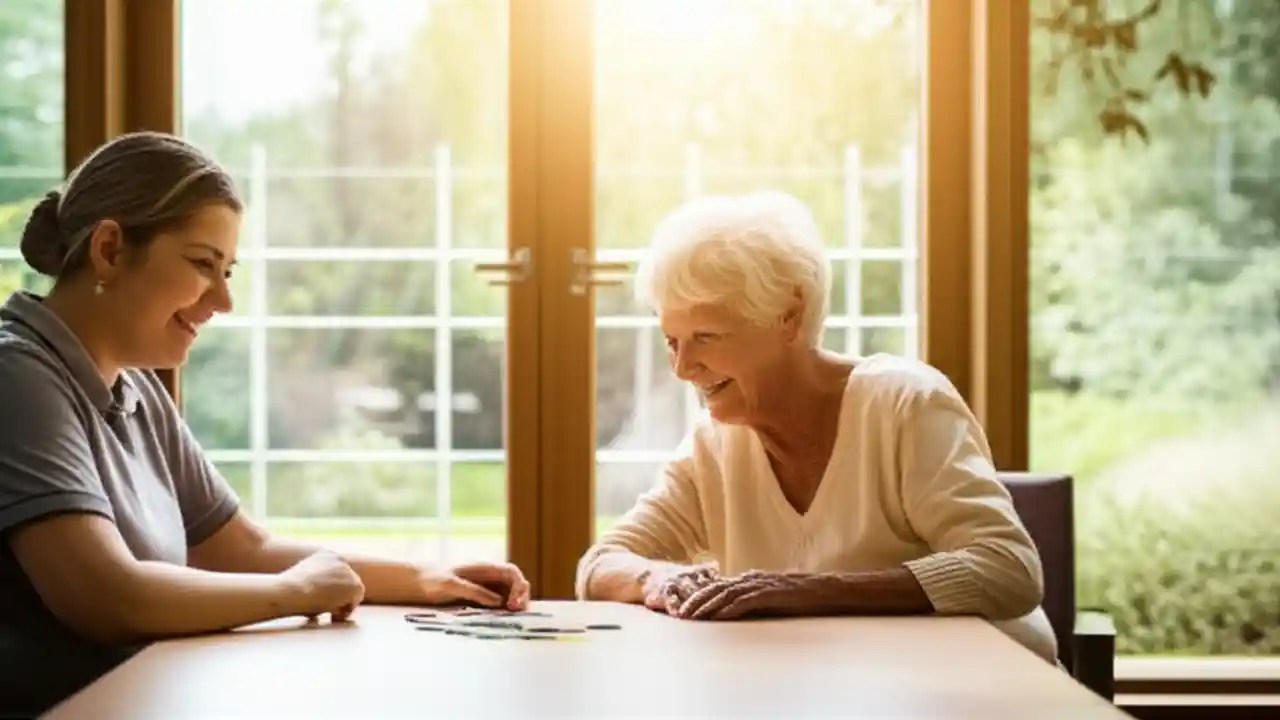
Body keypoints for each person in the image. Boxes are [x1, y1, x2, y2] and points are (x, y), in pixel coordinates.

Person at [0, 132, 529, 714]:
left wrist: (428, 578)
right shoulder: (17, 375)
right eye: (204, 264)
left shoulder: (135, 387)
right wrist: (292, 595)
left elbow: (244, 548)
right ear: (110, 249)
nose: (223, 300)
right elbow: (105, 595)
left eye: (228, 270)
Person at [575, 191, 1058, 663]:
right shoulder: (713, 445)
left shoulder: (906, 406)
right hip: (839, 693)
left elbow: (1007, 569)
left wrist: (803, 591)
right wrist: (657, 580)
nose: (682, 368)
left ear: (790, 315)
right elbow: (601, 564)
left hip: (987, 694)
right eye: (672, 340)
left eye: (705, 337)